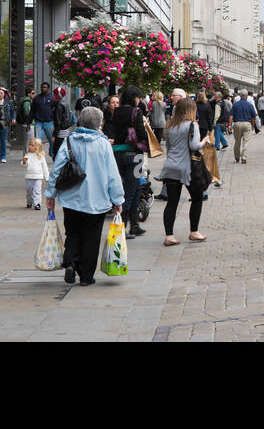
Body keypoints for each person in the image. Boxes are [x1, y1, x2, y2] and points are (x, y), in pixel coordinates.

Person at [45, 106, 125, 286]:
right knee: (91, 237)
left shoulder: (69, 141)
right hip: (97, 200)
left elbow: (57, 170)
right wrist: (117, 199)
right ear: (99, 123)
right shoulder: (103, 144)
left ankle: (71, 261)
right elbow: (112, 174)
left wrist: (51, 194)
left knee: (72, 232)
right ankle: (86, 276)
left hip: (71, 199)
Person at [156, 96, 207, 246]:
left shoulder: (170, 126)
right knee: (197, 198)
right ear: (191, 110)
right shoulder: (192, 125)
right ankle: (194, 232)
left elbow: (169, 148)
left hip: (171, 167)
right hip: (187, 168)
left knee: (172, 202)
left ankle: (169, 236)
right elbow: (194, 146)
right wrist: (204, 142)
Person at [106, 86, 149, 238]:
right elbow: (141, 133)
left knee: (135, 188)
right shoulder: (136, 112)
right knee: (131, 191)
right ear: (134, 97)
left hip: (118, 153)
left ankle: (135, 224)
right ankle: (121, 227)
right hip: (134, 155)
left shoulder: (117, 111)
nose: (139, 100)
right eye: (138, 97)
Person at [228, 91, 256, 163]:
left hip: (237, 123)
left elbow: (231, 115)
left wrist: (230, 125)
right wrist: (253, 125)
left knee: (237, 141)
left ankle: (237, 157)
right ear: (247, 96)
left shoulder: (235, 105)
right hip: (247, 124)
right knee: (246, 142)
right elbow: (254, 117)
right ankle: (244, 158)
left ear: (240, 96)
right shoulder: (250, 105)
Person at [22, 137, 48, 209]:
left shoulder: (41, 156)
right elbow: (24, 164)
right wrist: (24, 161)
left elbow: (44, 167)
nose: (30, 147)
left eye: (32, 145)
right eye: (29, 145)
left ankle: (37, 203)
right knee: (29, 190)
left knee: (37, 191)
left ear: (37, 147)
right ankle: (29, 202)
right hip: (29, 176)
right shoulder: (27, 155)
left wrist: (47, 177)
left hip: (38, 177)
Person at [30, 83, 56, 148]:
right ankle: (39, 156)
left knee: (52, 141)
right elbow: (32, 111)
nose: (43, 88)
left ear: (48, 88)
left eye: (44, 87)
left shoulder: (52, 98)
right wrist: (28, 122)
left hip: (49, 122)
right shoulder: (36, 98)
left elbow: (55, 109)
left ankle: (52, 154)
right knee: (37, 142)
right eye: (42, 87)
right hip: (39, 123)